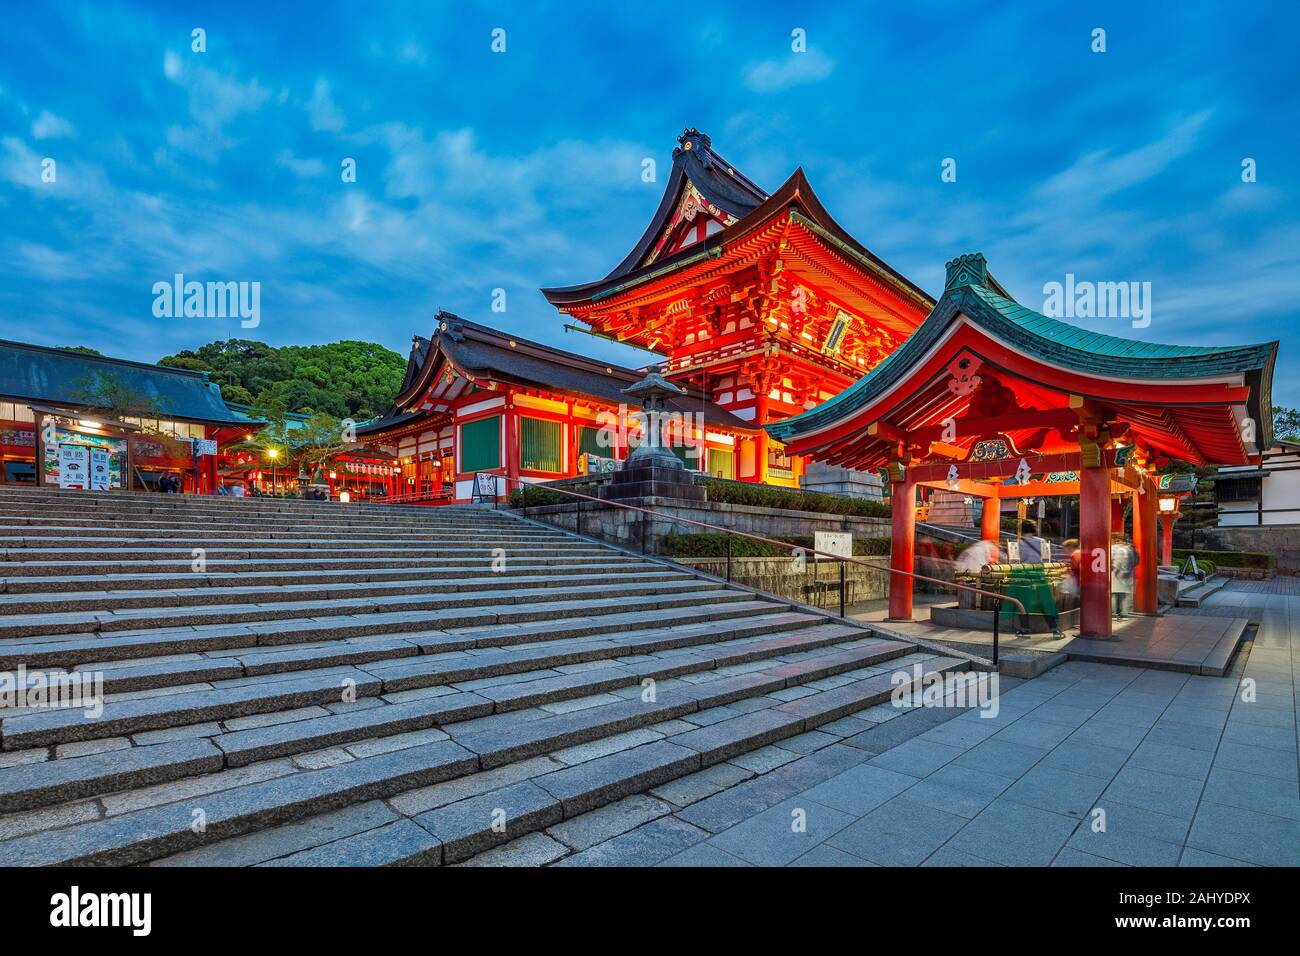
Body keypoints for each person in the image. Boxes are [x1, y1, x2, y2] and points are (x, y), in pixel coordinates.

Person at [1111, 533, 1137, 619]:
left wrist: (1115, 569)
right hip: (1128, 574)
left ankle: (1113, 614)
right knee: (1125, 594)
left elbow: (1113, 562)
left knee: (1114, 594)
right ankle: (1124, 614)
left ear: (1115, 539)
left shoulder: (1113, 548)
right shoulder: (1131, 548)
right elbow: (1137, 560)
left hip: (1116, 573)